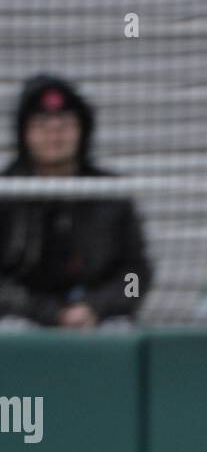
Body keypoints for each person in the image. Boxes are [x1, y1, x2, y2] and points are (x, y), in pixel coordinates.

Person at [0, 74, 153, 326]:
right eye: (42, 126)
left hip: (96, 319)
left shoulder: (110, 193)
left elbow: (135, 275)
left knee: (120, 330)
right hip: (24, 317)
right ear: (24, 133)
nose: (54, 135)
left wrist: (97, 306)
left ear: (82, 130)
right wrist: (51, 313)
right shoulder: (7, 192)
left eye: (64, 125)